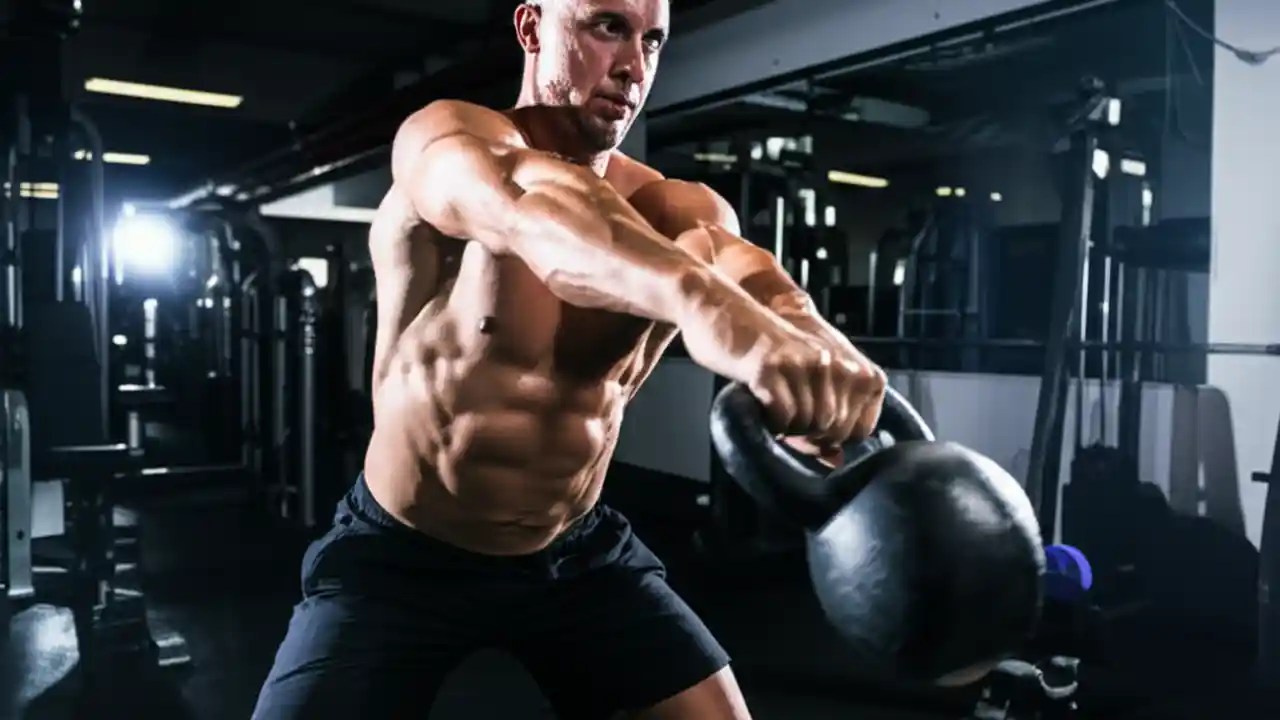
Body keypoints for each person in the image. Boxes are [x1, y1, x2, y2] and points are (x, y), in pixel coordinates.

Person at [252, 0, 886, 718]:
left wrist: (804, 335)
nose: (633, 65)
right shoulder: (448, 141)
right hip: (404, 553)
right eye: (606, 27)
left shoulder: (676, 208)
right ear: (531, 29)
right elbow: (534, 214)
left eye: (653, 40)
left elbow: (734, 261)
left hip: (574, 553)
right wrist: (707, 305)